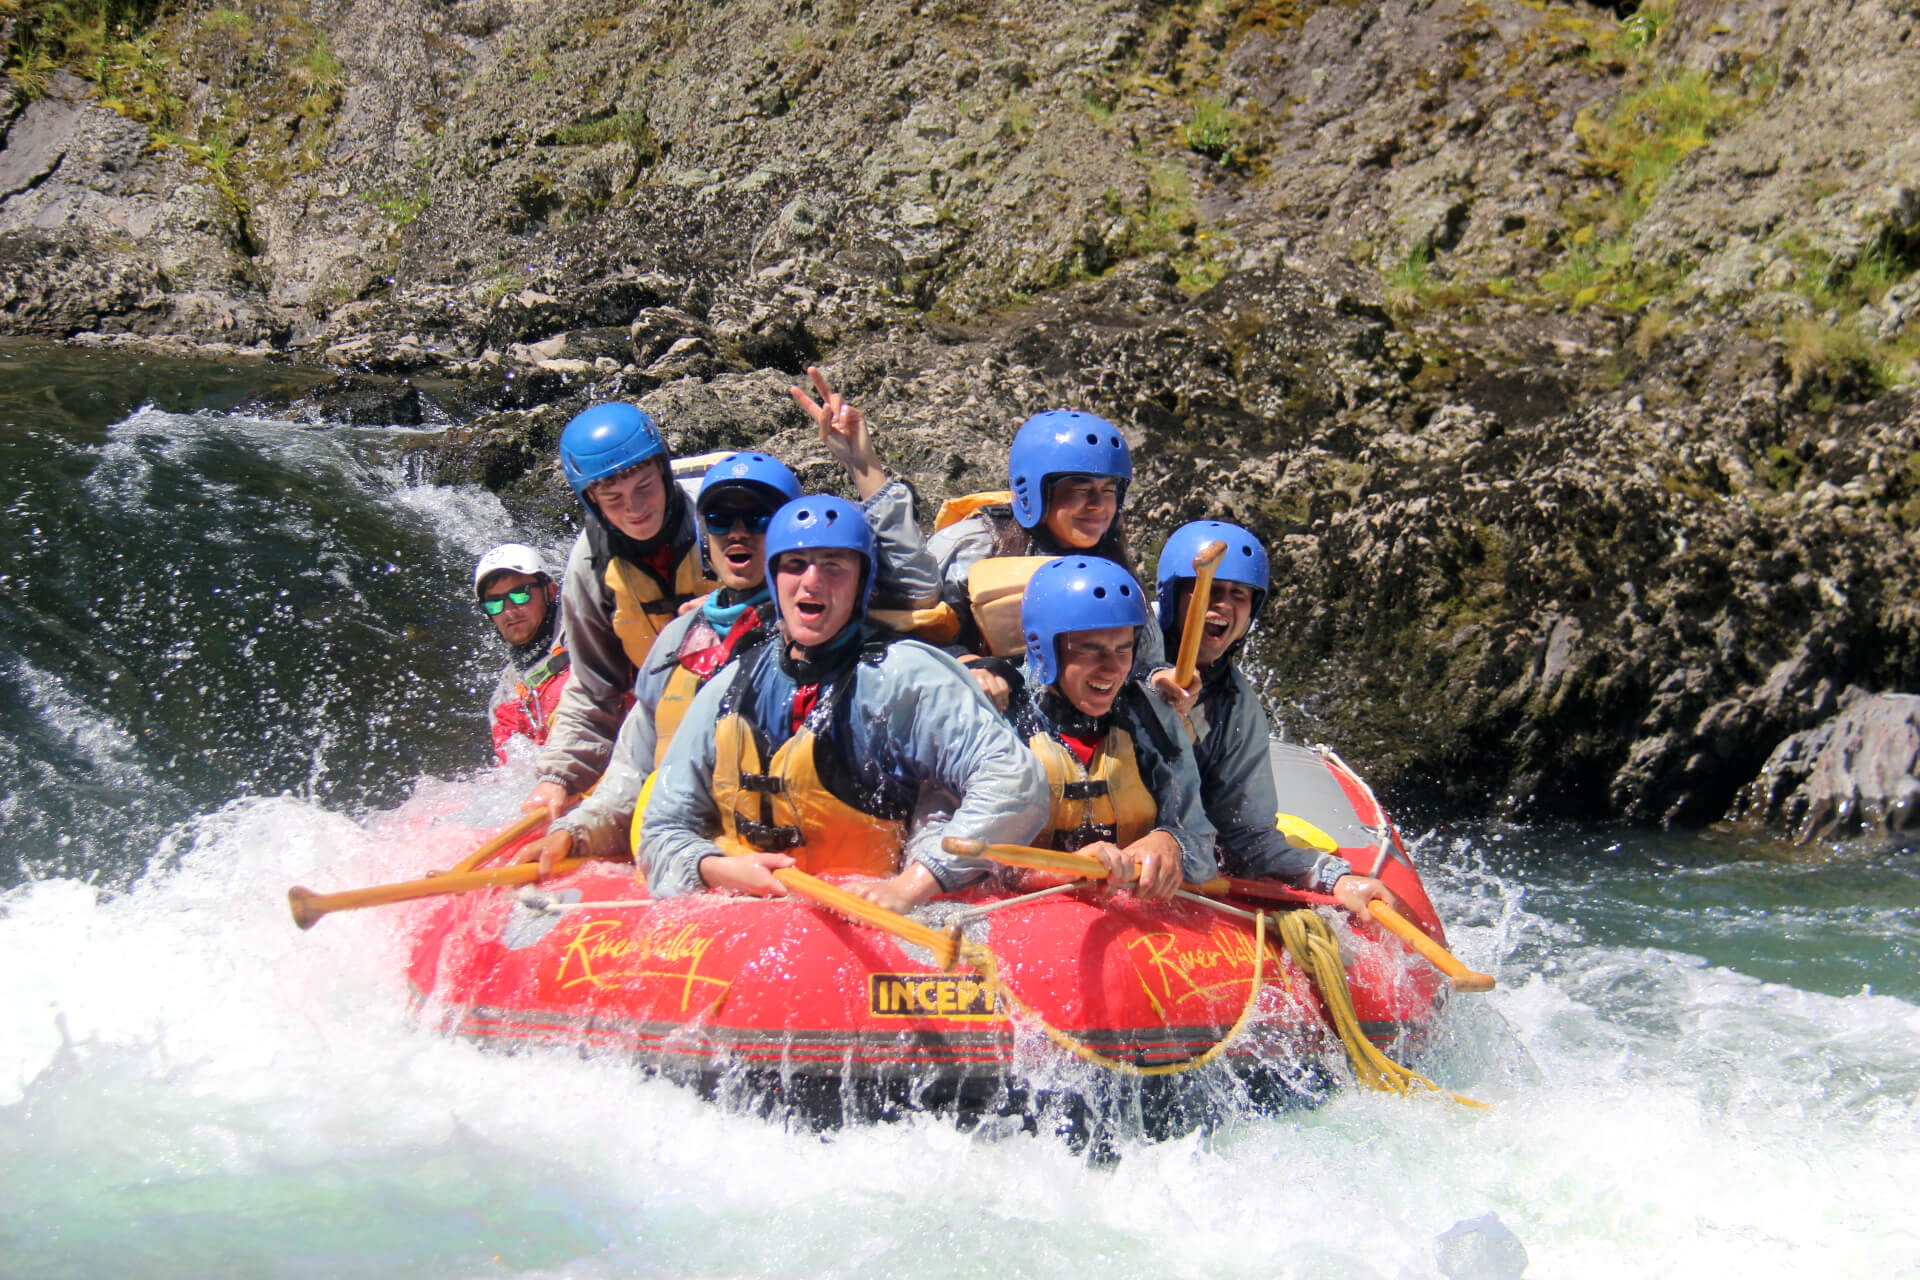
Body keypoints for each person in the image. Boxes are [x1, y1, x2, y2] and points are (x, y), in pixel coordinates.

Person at [524, 380, 941, 821]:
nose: (635, 508)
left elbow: (908, 588)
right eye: (613, 499)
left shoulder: (763, 551)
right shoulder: (598, 572)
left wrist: (863, 465)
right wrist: (559, 777)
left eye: (645, 487)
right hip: (672, 704)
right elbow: (595, 688)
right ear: (592, 504)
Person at [637, 494, 1049, 911]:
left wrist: (910, 887)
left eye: (833, 565)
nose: (812, 582)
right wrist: (714, 867)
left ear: (862, 583)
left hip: (868, 910)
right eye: (795, 565)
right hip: (745, 912)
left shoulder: (903, 678)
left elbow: (1015, 783)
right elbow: (661, 828)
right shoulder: (731, 685)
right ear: (774, 579)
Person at [525, 451, 800, 867]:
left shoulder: (822, 634)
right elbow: (633, 768)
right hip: (691, 861)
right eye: (720, 519)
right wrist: (576, 831)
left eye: (759, 518)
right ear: (706, 532)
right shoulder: (676, 640)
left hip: (787, 861)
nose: (737, 533)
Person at [1150, 520, 1400, 916]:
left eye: (1238, 595)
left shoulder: (1238, 708)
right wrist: (1152, 684)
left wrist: (1333, 877)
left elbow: (1248, 836)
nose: (1223, 605)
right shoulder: (1115, 650)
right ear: (1171, 597)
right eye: (1210, 590)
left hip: (1172, 855)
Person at [1005, 555, 1214, 900]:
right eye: (1091, 649)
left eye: (1123, 649)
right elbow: (959, 855)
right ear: (1045, 650)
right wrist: (1055, 872)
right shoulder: (1004, 718)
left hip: (1131, 913)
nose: (1112, 669)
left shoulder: (1149, 715)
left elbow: (1201, 844)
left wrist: (1172, 844)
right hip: (1023, 908)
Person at [925, 409, 1162, 706]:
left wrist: (1158, 678)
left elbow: (1145, 661)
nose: (1098, 505)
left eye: (1109, 491)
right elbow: (907, 641)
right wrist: (965, 663)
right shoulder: (970, 546)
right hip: (981, 712)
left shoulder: (1114, 566)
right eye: (1081, 489)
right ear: (1033, 490)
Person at [473, 543, 570, 762]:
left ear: (550, 591)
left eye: (520, 594)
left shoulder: (589, 632)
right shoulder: (504, 699)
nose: (509, 611)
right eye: (495, 603)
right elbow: (516, 772)